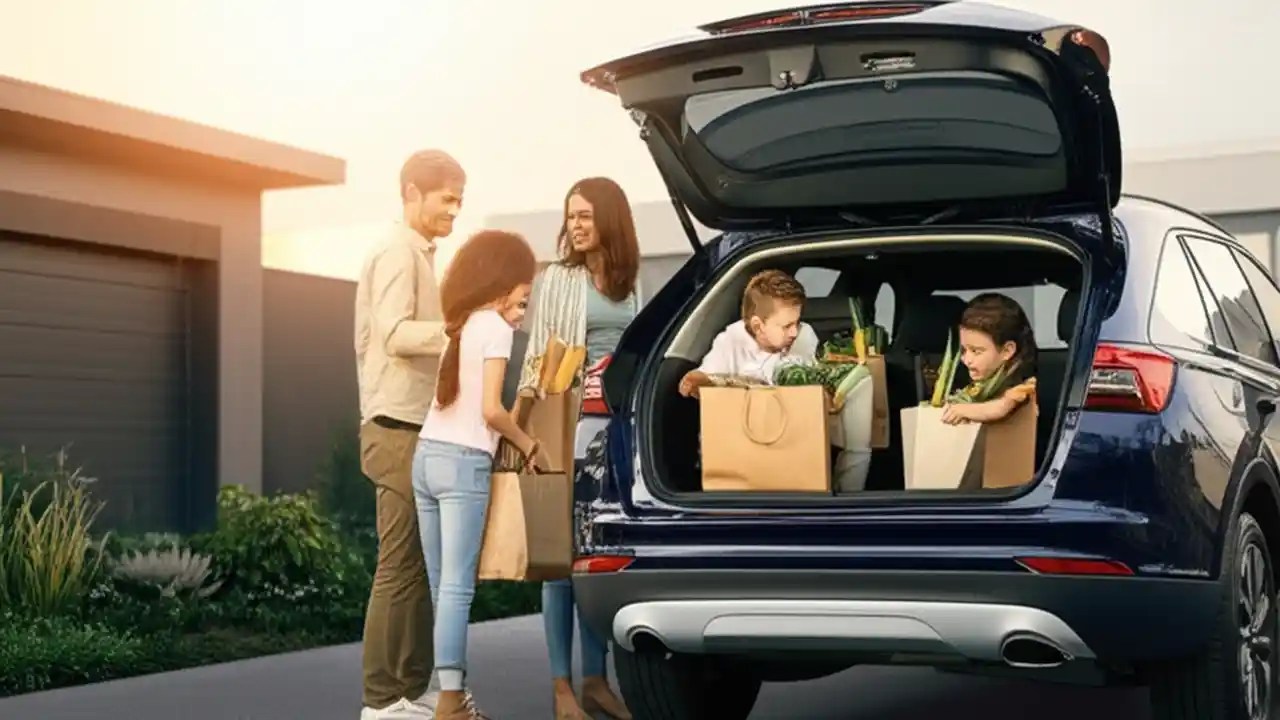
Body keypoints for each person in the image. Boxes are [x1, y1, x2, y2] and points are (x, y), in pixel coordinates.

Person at [413, 229, 548, 720]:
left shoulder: (464, 322)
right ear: (501, 283)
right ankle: (451, 703)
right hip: (463, 461)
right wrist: (528, 442)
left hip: (426, 457)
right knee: (456, 587)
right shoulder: (495, 327)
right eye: (523, 297)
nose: (523, 310)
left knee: (438, 584)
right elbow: (492, 411)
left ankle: (444, 693)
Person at [518, 177, 639, 720]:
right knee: (560, 558)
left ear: (609, 218)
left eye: (586, 215)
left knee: (596, 557)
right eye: (571, 215)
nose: (576, 224)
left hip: (612, 431)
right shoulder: (558, 280)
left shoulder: (628, 283)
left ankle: (597, 680)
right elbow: (538, 359)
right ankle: (561, 686)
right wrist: (527, 431)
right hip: (567, 423)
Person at [355, 149, 466, 719]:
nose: (455, 210)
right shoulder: (397, 251)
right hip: (396, 427)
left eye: (459, 200)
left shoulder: (421, 255)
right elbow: (396, 332)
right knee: (399, 564)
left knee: (419, 563)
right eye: (447, 199)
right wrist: (457, 331)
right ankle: (381, 702)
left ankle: (412, 692)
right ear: (411, 192)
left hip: (416, 428)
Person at [678, 269, 820, 397]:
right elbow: (707, 379)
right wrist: (694, 382)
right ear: (758, 326)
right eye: (787, 326)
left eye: (797, 322)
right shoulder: (731, 341)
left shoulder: (804, 335)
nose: (794, 332)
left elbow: (807, 387)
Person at [941, 292, 1038, 425]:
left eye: (976, 351)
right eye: (963, 350)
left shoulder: (1025, 386)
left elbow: (1001, 408)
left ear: (1007, 351)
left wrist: (962, 410)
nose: (967, 359)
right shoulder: (977, 387)